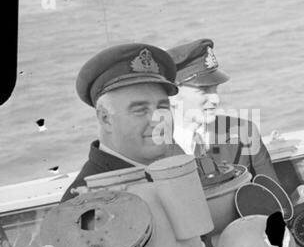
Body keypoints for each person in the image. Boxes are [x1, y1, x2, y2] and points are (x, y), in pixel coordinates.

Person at [62, 43, 182, 201]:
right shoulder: (89, 202)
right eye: (140, 110)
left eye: (163, 107)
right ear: (106, 119)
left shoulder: (168, 166)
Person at [168, 38, 275, 179]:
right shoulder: (153, 148)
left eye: (215, 89)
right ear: (173, 96)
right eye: (204, 90)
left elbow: (273, 195)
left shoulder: (245, 132)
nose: (216, 99)